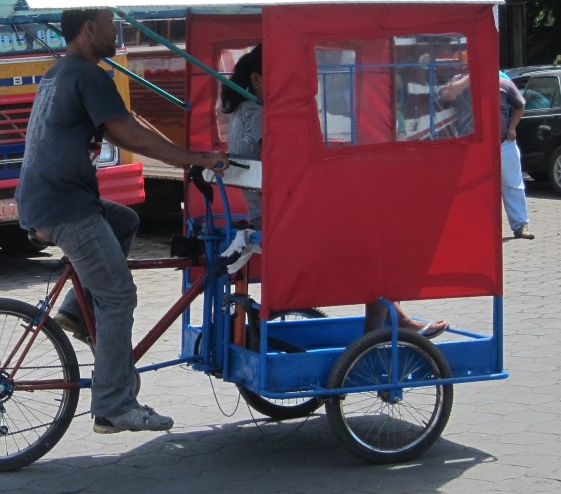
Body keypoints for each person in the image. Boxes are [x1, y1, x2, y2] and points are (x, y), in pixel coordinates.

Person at [16, 8, 227, 435]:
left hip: (45, 198)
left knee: (124, 220)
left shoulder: (60, 72)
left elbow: (112, 132)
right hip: (65, 206)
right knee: (118, 297)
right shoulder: (88, 74)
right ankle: (114, 406)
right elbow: (127, 133)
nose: (119, 32)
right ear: (90, 29)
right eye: (112, 25)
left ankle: (77, 312)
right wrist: (196, 159)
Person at [220, 45, 449, 338]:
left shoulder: (243, 113)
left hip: (271, 214)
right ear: (256, 79)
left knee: (370, 231)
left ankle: (394, 318)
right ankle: (376, 334)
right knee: (377, 244)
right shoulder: (261, 117)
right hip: (282, 220)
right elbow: (285, 173)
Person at [439, 71, 534, 239]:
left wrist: (512, 127)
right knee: (470, 186)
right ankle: (474, 226)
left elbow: (520, 105)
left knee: (512, 184)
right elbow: (446, 95)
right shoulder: (461, 80)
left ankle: (520, 225)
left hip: (503, 143)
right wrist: (470, 78)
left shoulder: (503, 82)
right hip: (473, 146)